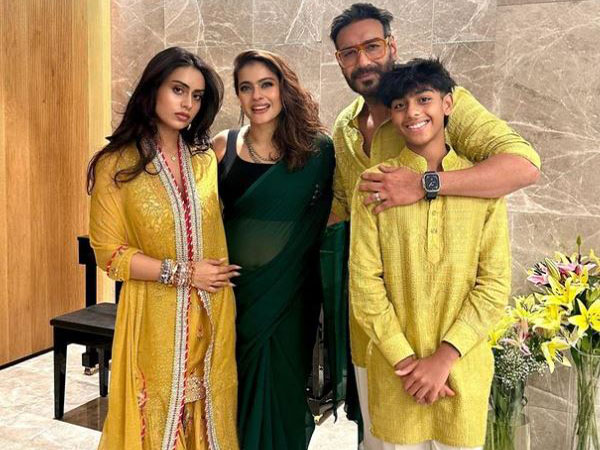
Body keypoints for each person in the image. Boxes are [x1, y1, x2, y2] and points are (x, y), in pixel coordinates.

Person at [328, 4, 540, 448]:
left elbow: (523, 166)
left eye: (372, 46)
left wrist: (425, 184)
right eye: (349, 53)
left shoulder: (439, 99)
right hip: (378, 338)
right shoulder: (345, 127)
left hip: (455, 346)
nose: (362, 60)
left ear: (392, 45)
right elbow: (342, 210)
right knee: (381, 439)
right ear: (339, 60)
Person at [350, 57, 510, 450]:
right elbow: (364, 285)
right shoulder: (375, 184)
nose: (412, 113)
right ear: (392, 116)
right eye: (400, 105)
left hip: (462, 373)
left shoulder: (482, 186)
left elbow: (494, 286)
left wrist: (444, 359)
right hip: (395, 376)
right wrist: (406, 362)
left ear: (448, 104)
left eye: (424, 99)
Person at [88, 47, 240, 450]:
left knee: (209, 422)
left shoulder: (203, 161)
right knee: (154, 424)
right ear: (153, 89)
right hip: (154, 322)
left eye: (197, 95)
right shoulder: (116, 165)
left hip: (212, 318)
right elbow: (109, 254)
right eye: (178, 90)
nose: (187, 104)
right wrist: (186, 273)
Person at [211, 50, 335, 450]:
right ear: (238, 95)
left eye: (267, 84)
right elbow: (204, 221)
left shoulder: (317, 151)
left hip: (290, 301)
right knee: (233, 397)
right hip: (234, 298)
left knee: (282, 395)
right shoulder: (222, 147)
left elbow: (328, 221)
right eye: (246, 87)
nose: (257, 96)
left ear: (284, 88)